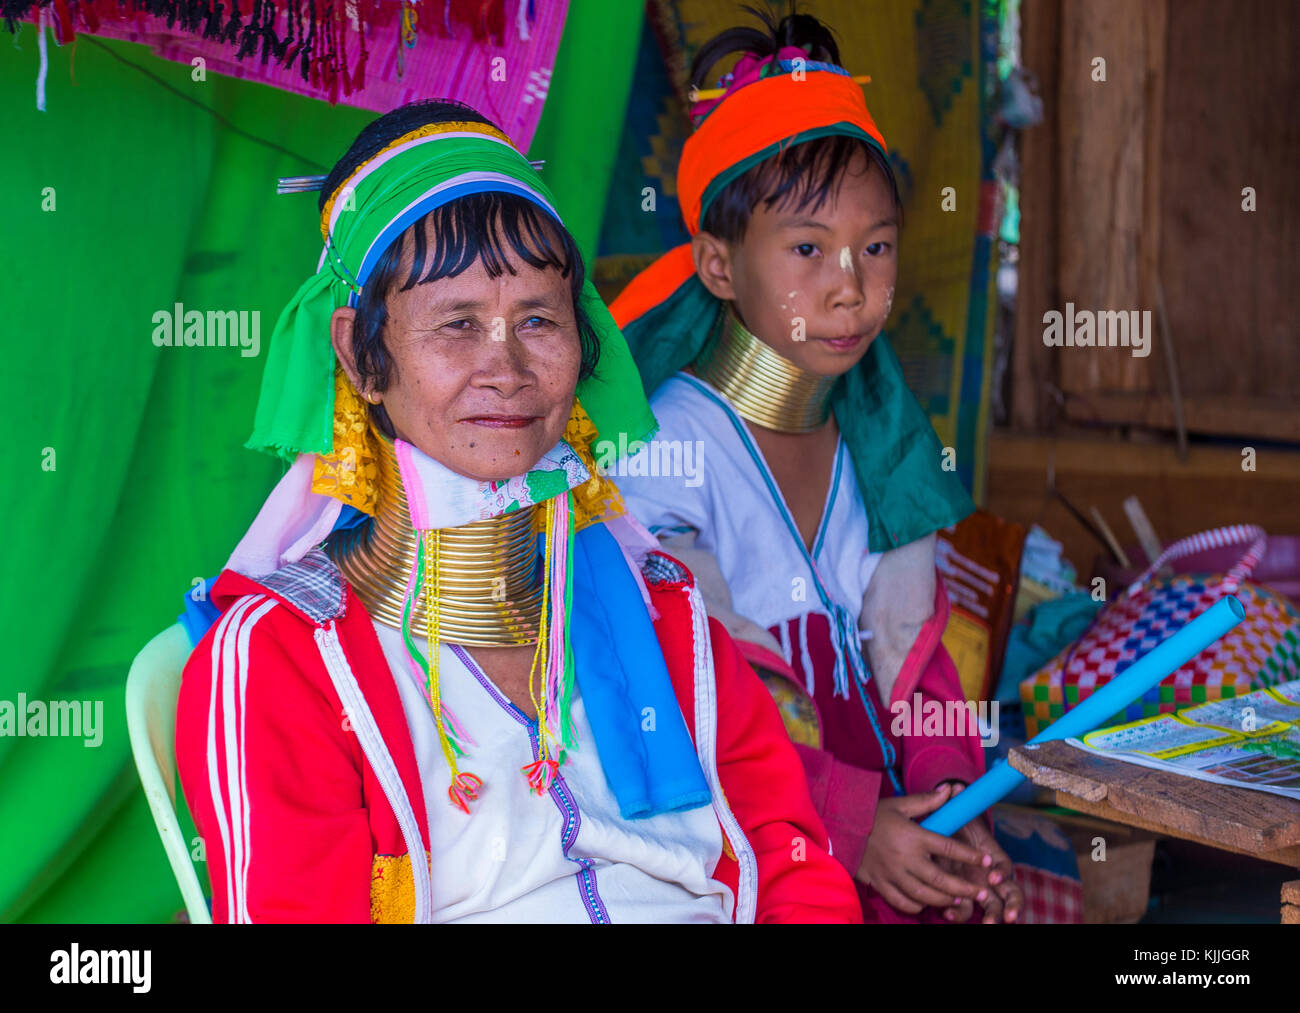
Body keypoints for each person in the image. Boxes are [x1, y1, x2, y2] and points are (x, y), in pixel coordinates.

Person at [174, 99, 862, 924]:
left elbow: (790, 863)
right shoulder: (284, 663)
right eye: (456, 324)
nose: (505, 369)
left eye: (538, 319)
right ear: (361, 354)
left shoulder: (660, 612)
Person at [610, 10, 1024, 924]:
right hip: (747, 849)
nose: (851, 284)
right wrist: (851, 826)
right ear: (718, 264)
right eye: (807, 248)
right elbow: (680, 704)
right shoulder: (664, 455)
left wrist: (953, 803)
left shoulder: (874, 444)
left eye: (875, 246)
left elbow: (921, 673)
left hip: (882, 836)